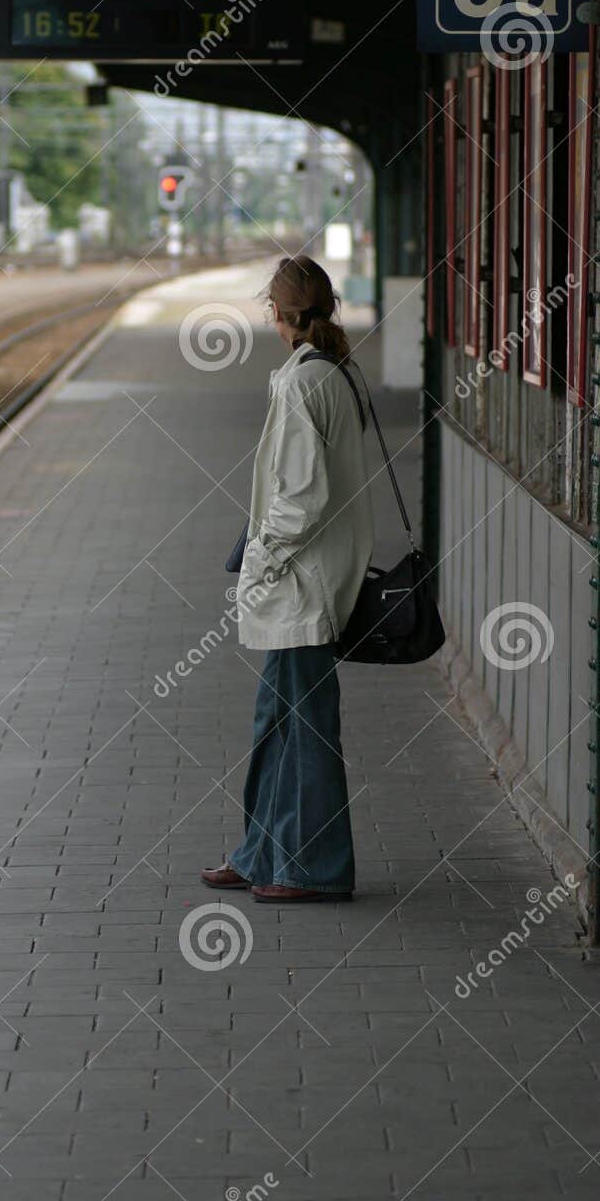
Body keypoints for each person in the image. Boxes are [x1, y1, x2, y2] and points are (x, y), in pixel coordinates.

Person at [202, 255, 374, 905]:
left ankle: (314, 867)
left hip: (304, 580)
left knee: (303, 729)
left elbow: (301, 496)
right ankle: (261, 853)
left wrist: (261, 557)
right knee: (278, 722)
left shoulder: (305, 382)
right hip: (309, 575)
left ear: (276, 312)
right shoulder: (331, 371)